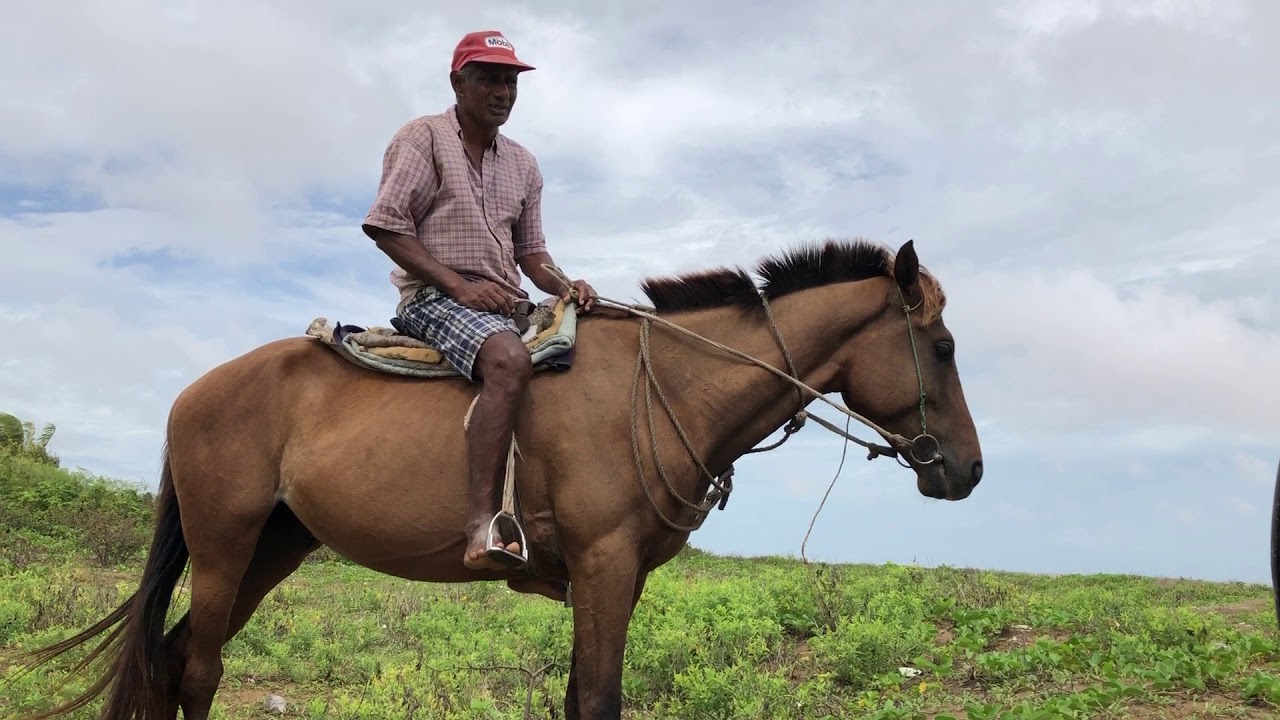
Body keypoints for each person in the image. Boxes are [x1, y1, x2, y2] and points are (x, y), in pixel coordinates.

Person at [361, 30, 595, 572]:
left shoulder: (524, 164)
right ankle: (480, 523)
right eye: (489, 79)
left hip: (504, 302)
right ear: (457, 83)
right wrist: (459, 286)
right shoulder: (423, 138)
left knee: (597, 345)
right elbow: (387, 225)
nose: (502, 92)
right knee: (508, 360)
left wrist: (566, 285)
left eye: (510, 81)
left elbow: (531, 252)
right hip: (433, 297)